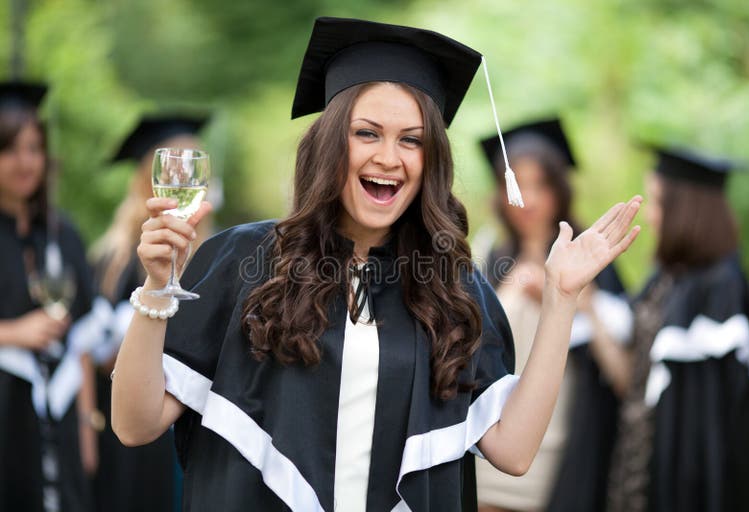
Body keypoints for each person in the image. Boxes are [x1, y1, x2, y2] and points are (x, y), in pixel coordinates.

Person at [111, 17, 642, 512]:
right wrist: (157, 289)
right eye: (367, 133)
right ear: (329, 143)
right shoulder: (243, 262)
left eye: (411, 140)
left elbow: (515, 450)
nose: (389, 157)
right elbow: (134, 426)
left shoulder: (451, 290)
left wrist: (562, 299)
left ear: (429, 159)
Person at [475, 118, 632, 512]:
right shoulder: (490, 259)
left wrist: (580, 303)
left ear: (559, 190)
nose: (526, 199)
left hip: (564, 448)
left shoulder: (590, 261)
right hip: (492, 438)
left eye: (540, 185)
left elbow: (625, 378)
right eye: (516, 184)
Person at [606, 146, 749, 512]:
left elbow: (710, 422)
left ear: (687, 211)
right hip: (640, 460)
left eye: (659, 203)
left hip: (686, 480)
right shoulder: (668, 277)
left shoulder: (720, 287)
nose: (652, 216)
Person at [88, 115, 209, 512]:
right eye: (177, 166)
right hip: (128, 414)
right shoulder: (111, 260)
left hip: (187, 416)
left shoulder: (214, 256)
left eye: (197, 164)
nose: (187, 177)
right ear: (149, 178)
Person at [0, 81, 96, 511]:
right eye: (10, 150)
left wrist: (88, 426)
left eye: (34, 149)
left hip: (58, 415)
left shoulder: (63, 233)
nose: (26, 162)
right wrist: (12, 332)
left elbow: (83, 341)